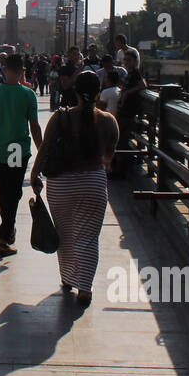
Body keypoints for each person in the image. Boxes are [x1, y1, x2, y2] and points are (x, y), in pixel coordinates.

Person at [30, 70, 118, 309]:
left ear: (75, 91)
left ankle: (68, 279)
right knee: (88, 237)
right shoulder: (109, 121)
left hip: (62, 186)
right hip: (94, 183)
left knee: (66, 234)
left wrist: (34, 173)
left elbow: (45, 147)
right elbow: (108, 158)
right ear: (98, 92)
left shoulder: (61, 117)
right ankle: (85, 289)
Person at [0, 54, 43, 257]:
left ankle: (7, 231)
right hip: (18, 149)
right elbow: (35, 127)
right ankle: (5, 236)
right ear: (22, 71)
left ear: (4, 70)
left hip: (1, 149)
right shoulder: (28, 95)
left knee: (7, 191)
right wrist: (43, 151)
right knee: (12, 193)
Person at [113, 52, 147, 178]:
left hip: (127, 113)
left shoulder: (136, 73)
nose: (126, 62)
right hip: (124, 111)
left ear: (135, 61)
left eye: (129, 60)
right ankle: (120, 169)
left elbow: (143, 85)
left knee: (121, 142)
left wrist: (128, 93)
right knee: (120, 141)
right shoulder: (130, 73)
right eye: (125, 60)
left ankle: (121, 170)